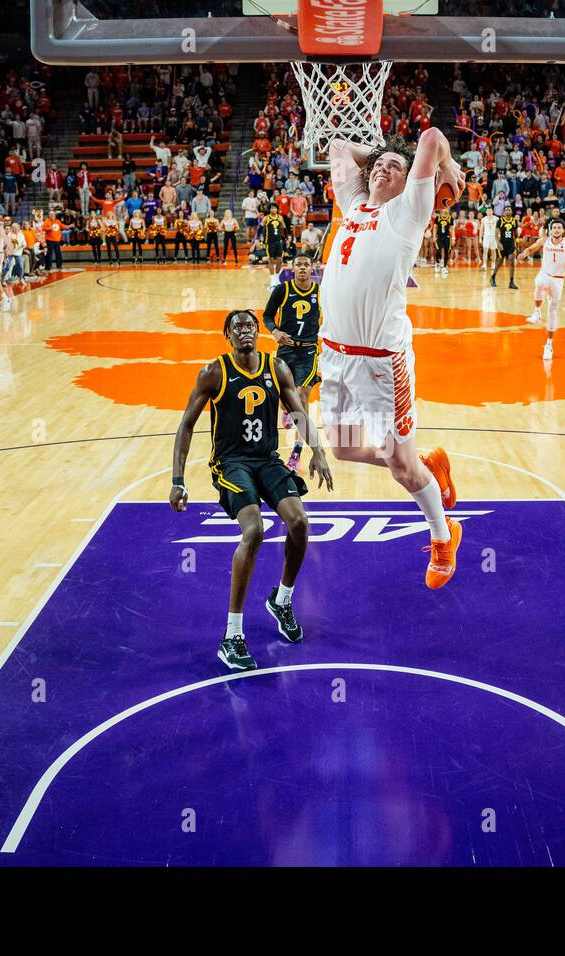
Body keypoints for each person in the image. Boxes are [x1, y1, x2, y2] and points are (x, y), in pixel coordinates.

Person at [321, 130, 465, 589]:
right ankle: (428, 466)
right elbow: (338, 148)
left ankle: (444, 536)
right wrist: (379, 158)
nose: (383, 168)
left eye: (395, 168)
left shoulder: (407, 212)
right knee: (343, 448)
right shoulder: (352, 204)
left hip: (380, 363)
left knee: (401, 469)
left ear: (411, 184)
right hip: (335, 356)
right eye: (378, 166)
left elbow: (431, 137)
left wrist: (445, 166)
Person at [169, 309, 334, 671]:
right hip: (231, 464)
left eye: (249, 325)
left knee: (300, 524)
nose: (245, 330)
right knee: (254, 530)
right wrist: (178, 479)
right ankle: (232, 636)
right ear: (226, 335)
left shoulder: (276, 367)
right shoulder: (214, 372)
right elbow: (186, 425)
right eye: (237, 326)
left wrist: (318, 452)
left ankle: (282, 599)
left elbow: (300, 412)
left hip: (266, 459)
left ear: (257, 332)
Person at [264, 253, 323, 454]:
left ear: (312, 268)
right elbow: (267, 315)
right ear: (293, 269)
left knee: (300, 397)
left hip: (308, 351)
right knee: (284, 400)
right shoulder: (283, 289)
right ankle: (286, 411)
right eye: (299, 265)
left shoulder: (320, 292)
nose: (303, 268)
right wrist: (275, 331)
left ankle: (297, 451)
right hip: (286, 349)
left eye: (307, 264)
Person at [519, 219, 565, 360]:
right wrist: (523, 254)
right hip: (545, 274)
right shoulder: (544, 240)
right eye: (554, 228)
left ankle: (549, 345)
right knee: (538, 282)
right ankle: (537, 313)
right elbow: (530, 249)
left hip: (558, 280)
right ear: (550, 230)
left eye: (559, 227)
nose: (557, 230)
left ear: (563, 230)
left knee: (552, 311)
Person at [492, 207, 520, 288]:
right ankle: (493, 277)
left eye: (509, 210)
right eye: (506, 210)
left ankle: (511, 282)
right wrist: (498, 243)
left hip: (511, 244)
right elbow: (496, 234)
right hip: (502, 243)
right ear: (504, 212)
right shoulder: (500, 221)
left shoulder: (514, 221)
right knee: (499, 262)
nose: (508, 211)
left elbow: (516, 234)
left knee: (511, 261)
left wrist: (517, 245)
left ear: (511, 211)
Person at [262, 208, 288, 286]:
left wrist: (286, 237)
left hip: (278, 240)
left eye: (275, 208)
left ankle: (276, 277)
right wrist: (260, 239)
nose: (273, 209)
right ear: (270, 209)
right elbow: (260, 228)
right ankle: (272, 278)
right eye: (272, 208)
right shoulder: (266, 218)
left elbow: (284, 227)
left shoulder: (280, 217)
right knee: (271, 260)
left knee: (280, 260)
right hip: (269, 241)